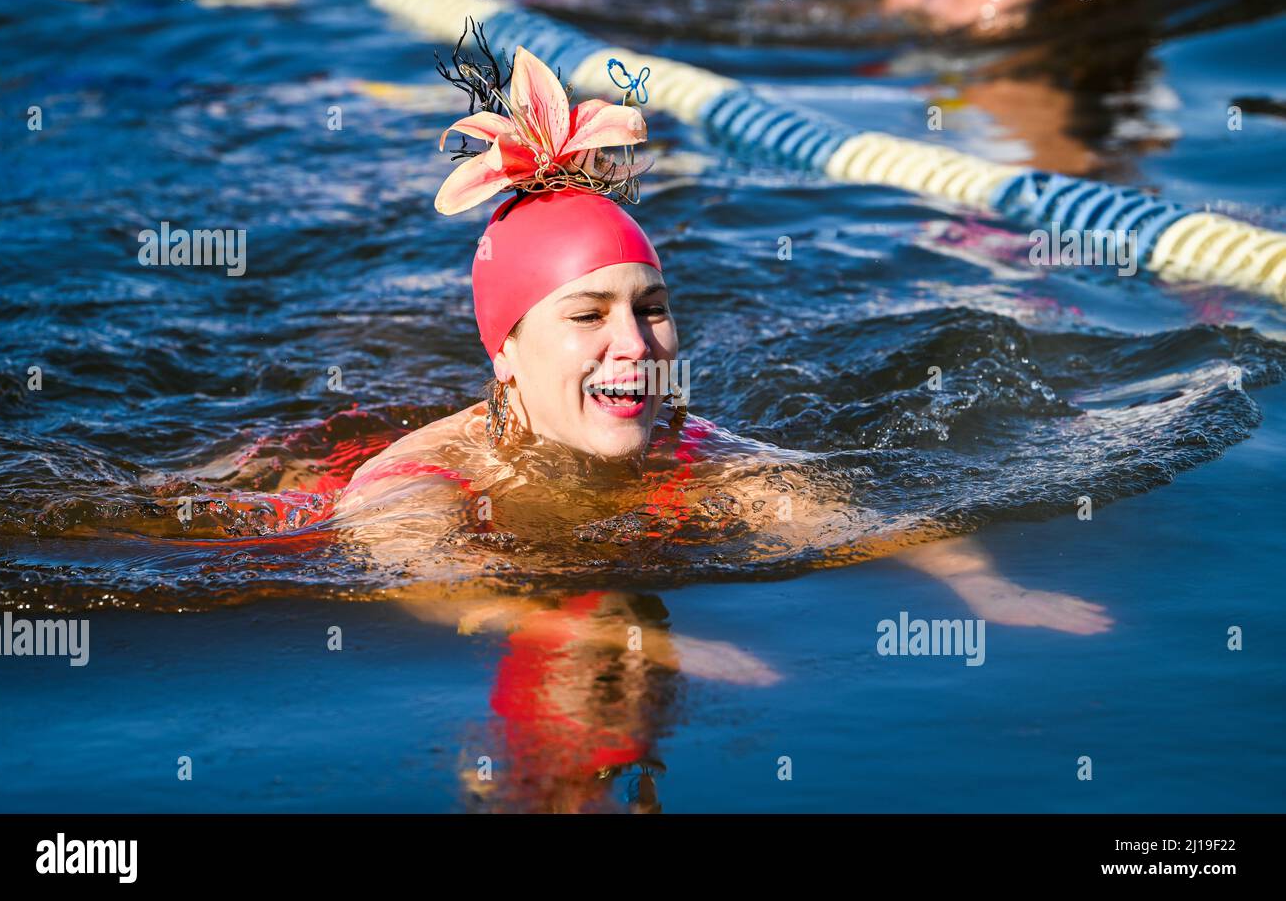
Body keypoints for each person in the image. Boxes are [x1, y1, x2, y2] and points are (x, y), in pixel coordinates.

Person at [331, 37, 1111, 639]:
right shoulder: (425, 478)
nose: (636, 345)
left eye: (652, 307)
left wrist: (987, 590)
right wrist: (646, 649)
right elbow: (432, 584)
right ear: (505, 350)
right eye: (588, 313)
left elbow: (845, 516)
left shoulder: (692, 446)